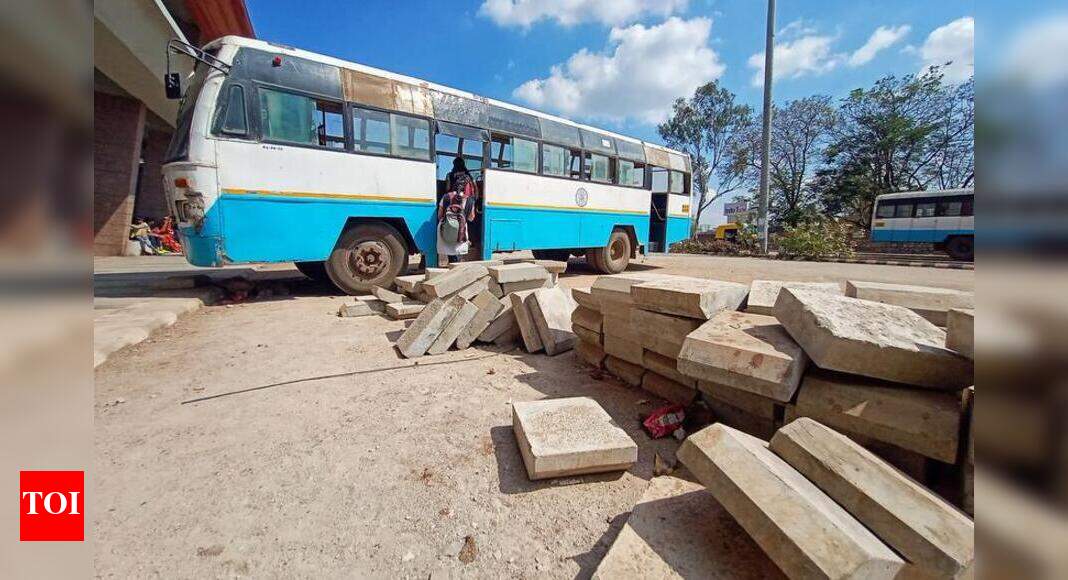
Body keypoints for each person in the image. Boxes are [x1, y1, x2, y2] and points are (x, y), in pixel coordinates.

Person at [437, 157, 477, 264]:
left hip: (449, 218)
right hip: (464, 212)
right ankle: (458, 260)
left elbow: (440, 216)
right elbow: (472, 217)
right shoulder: (469, 177)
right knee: (463, 229)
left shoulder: (449, 178)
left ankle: (452, 260)